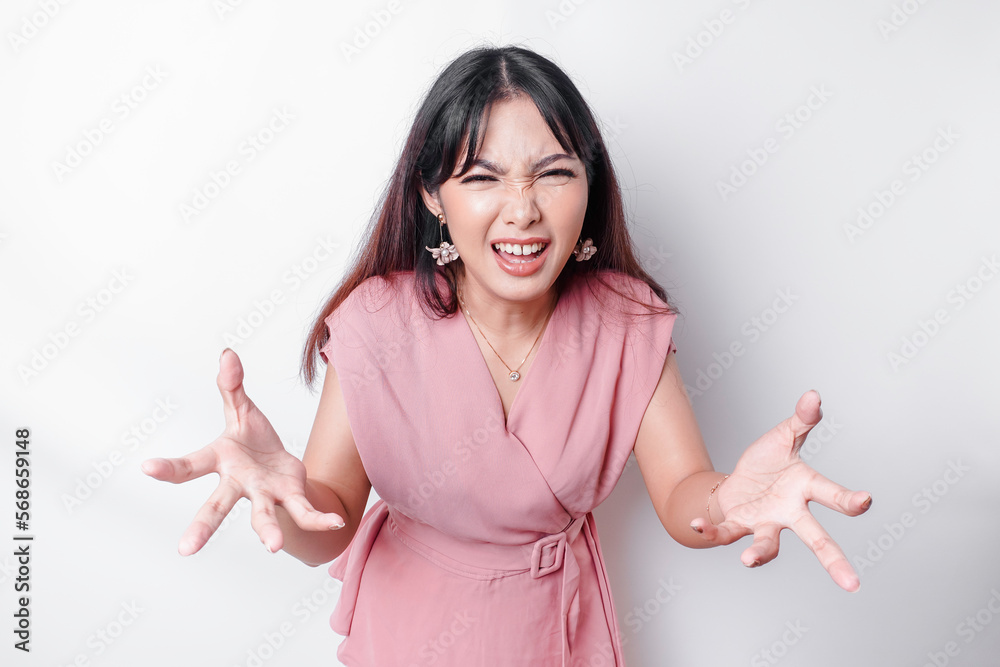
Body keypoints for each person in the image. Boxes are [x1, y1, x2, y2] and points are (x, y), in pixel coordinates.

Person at [141, 44, 872, 665]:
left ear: (590, 185)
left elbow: (687, 500)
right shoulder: (375, 323)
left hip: (555, 636)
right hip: (408, 638)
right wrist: (281, 493)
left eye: (554, 173)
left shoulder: (625, 322)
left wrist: (732, 503)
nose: (522, 208)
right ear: (433, 193)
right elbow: (322, 523)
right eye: (483, 177)